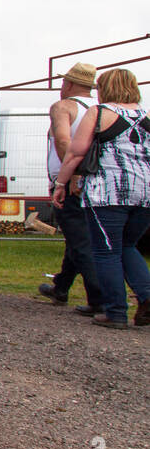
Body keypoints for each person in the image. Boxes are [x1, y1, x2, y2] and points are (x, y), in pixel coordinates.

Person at [52, 68, 150, 329]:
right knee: (127, 246)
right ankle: (147, 295)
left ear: (104, 88)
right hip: (145, 194)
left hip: (108, 192)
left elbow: (75, 152)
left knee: (105, 252)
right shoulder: (146, 114)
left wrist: (61, 183)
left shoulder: (98, 113)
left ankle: (115, 311)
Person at [39, 62, 101, 315]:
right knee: (77, 238)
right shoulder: (98, 109)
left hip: (71, 180)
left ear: (70, 84)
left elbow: (64, 140)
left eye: (64, 82)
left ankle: (100, 298)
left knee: (81, 240)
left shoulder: (63, 107)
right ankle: (61, 286)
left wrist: (70, 174)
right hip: (96, 180)